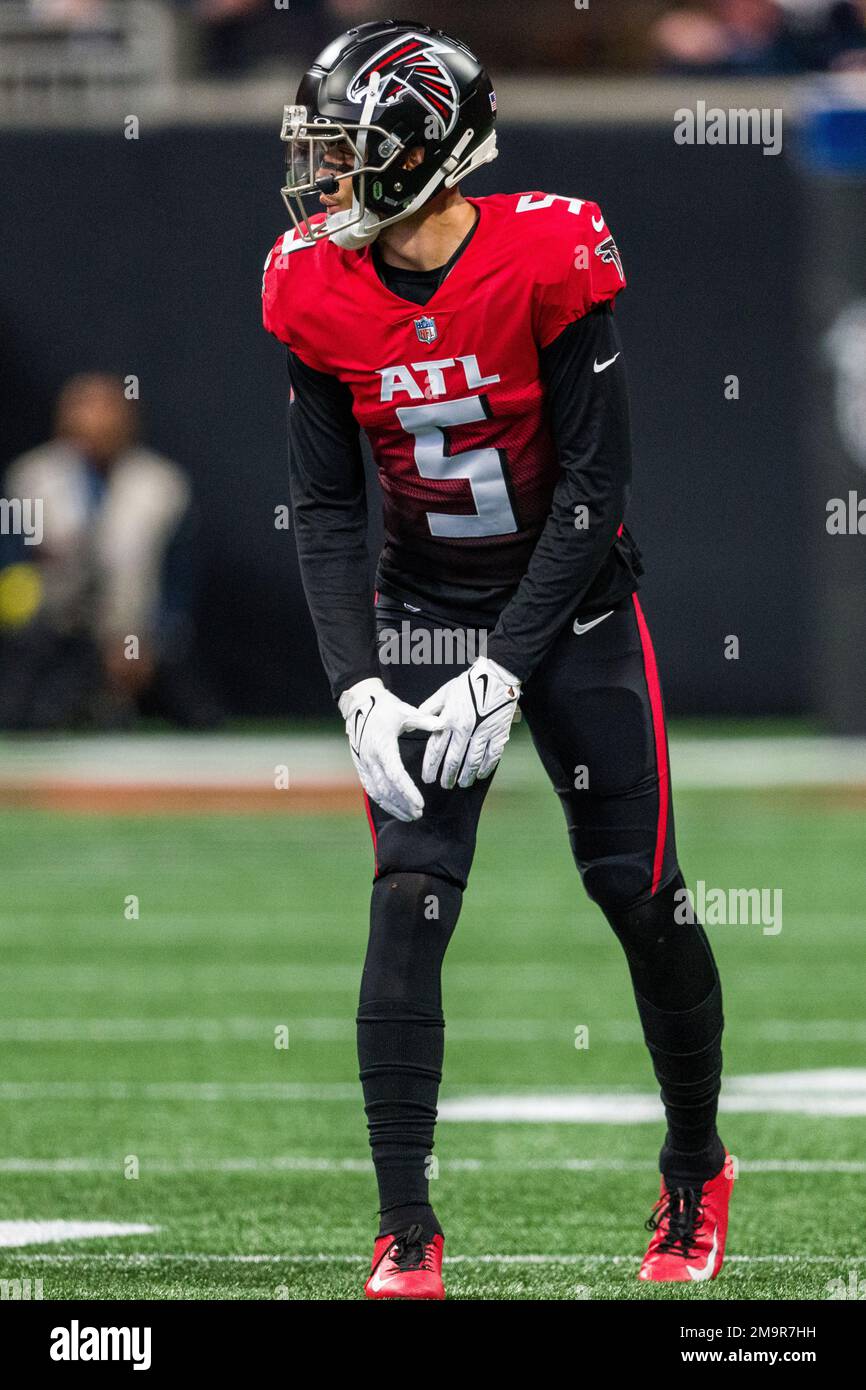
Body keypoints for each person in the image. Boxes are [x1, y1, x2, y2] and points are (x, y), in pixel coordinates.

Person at [262, 19, 732, 1299]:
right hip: (421, 607)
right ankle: (405, 1226)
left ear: (418, 153)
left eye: (347, 155)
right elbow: (325, 505)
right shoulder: (311, 283)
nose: (326, 182)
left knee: (638, 892)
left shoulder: (547, 250)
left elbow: (592, 486)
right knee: (408, 893)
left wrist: (507, 665)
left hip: (568, 606)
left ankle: (694, 1162)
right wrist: (360, 676)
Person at [0, 374, 218, 729]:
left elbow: (179, 586)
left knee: (202, 719)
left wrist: (149, 642)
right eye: (84, 408)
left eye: (107, 409)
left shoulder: (162, 486)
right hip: (56, 638)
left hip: (135, 639)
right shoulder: (30, 479)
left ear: (129, 420)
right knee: (27, 715)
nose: (96, 421)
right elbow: (10, 565)